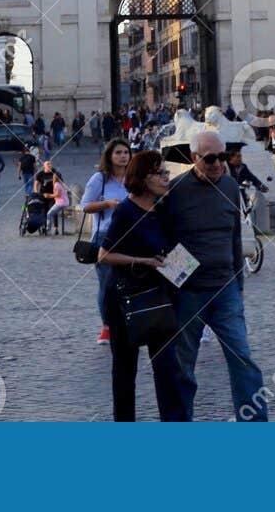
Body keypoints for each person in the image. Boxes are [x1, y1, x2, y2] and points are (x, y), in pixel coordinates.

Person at [155, 129, 267, 422]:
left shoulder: (230, 186)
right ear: (194, 158)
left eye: (222, 157)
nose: (217, 163)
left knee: (243, 359)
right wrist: (177, 284)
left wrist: (239, 284)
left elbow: (233, 236)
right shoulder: (175, 191)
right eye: (209, 159)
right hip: (189, 293)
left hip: (226, 288)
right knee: (183, 366)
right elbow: (163, 241)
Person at [97, 149, 185, 422]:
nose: (166, 178)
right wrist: (143, 261)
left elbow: (172, 253)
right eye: (161, 173)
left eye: (167, 173)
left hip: (160, 298)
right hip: (126, 300)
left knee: (167, 366)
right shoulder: (126, 210)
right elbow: (104, 255)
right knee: (125, 369)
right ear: (144, 178)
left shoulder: (163, 209)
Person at [80, 138, 131, 344]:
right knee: (107, 284)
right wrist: (108, 204)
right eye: (118, 152)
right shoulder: (99, 179)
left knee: (128, 283)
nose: (122, 156)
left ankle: (128, 321)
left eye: (126, 152)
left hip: (130, 235)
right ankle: (108, 326)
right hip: (105, 236)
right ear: (109, 156)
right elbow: (85, 205)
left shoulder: (133, 178)